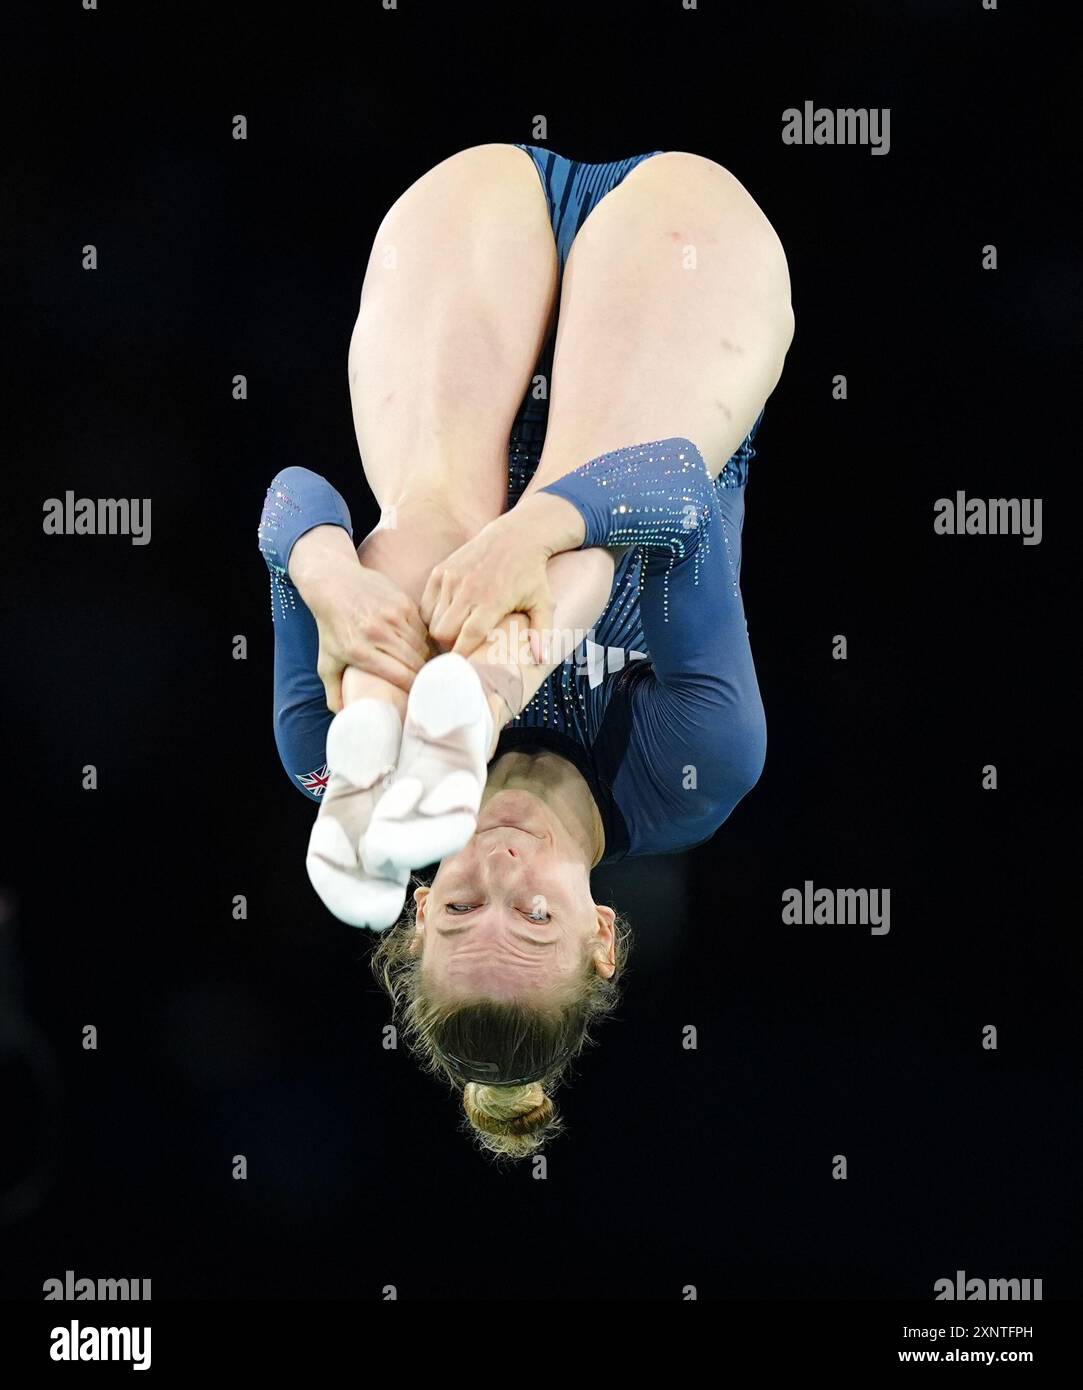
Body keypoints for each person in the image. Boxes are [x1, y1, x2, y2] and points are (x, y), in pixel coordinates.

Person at [258, 143, 795, 1156]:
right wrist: (534, 531)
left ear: (417, 908)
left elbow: (292, 500)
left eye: (464, 902)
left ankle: (403, 696)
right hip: (683, 283)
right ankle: (492, 682)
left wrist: (329, 585)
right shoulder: (693, 768)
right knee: (581, 570)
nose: (502, 865)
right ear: (602, 938)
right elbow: (678, 493)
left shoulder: (320, 764)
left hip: (474, 255)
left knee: (416, 557)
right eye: (536, 914)